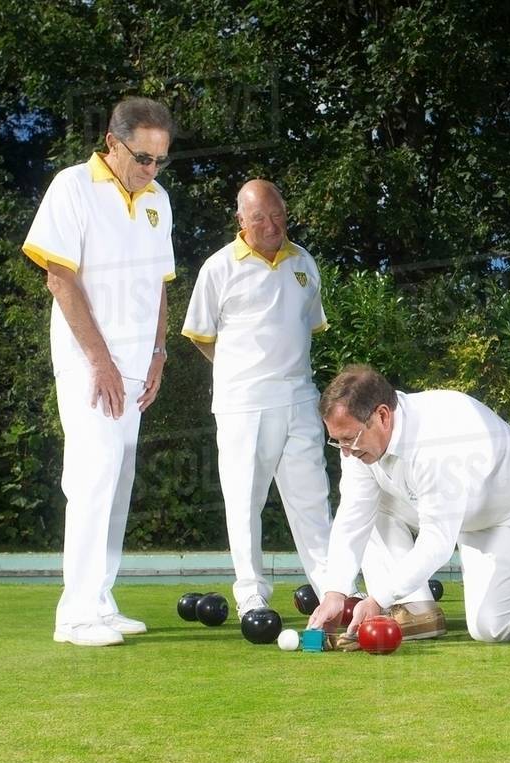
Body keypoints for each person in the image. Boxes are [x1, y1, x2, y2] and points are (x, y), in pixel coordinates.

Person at [22, 97, 176, 647]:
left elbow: (159, 284)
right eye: (142, 157)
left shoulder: (158, 201)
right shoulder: (71, 187)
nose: (150, 170)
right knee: (92, 475)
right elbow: (59, 279)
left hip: (136, 365)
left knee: (119, 479)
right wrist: (103, 362)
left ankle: (101, 601)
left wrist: (158, 354)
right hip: (90, 363)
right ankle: (75, 614)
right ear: (112, 142)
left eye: (160, 159)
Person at [306, 365, 510, 645]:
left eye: (349, 439)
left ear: (382, 415)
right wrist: (335, 591)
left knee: (491, 626)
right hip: (465, 512)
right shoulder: (357, 444)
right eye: (337, 441)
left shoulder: (435, 444)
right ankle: (415, 607)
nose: (346, 452)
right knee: (372, 505)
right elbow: (354, 515)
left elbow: (438, 542)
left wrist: (377, 598)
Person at [180, 179, 334, 616]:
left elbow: (306, 327)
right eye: (260, 218)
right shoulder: (218, 267)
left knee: (312, 497)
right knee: (243, 498)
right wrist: (238, 374)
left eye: (278, 215)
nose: (271, 225)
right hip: (242, 406)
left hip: (300, 399)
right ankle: (251, 593)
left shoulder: (304, 262)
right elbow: (201, 336)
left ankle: (333, 588)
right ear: (241, 221)